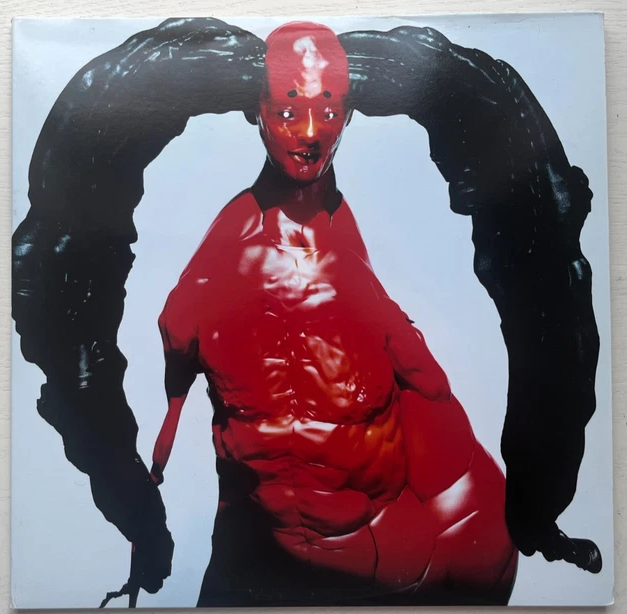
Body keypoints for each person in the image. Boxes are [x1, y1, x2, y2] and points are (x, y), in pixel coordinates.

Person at [150, 21, 516, 606]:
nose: (311, 133)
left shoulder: (346, 260)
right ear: (255, 110)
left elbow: (430, 400)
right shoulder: (214, 272)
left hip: (420, 552)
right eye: (288, 111)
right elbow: (175, 422)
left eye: (330, 111)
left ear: (349, 115)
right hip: (281, 553)